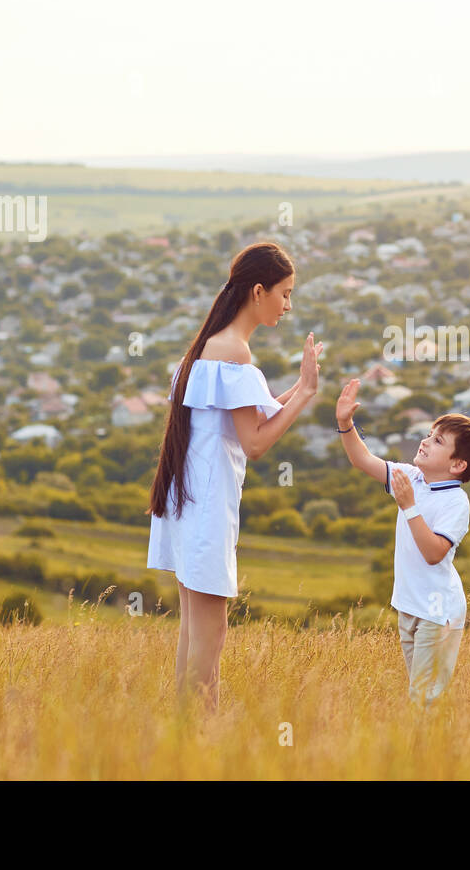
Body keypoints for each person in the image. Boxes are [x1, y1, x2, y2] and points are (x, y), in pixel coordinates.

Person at [146, 242, 322, 708]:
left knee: (193, 630)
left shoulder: (209, 345)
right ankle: (200, 736)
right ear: (258, 291)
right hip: (206, 506)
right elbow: (257, 442)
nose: (288, 306)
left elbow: (251, 415)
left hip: (187, 502)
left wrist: (296, 393)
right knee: (211, 632)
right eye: (285, 294)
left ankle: (185, 732)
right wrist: (304, 392)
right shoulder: (235, 354)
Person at [335, 378, 470, 707]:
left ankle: (433, 756)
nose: (425, 442)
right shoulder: (411, 477)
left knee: (424, 699)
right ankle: (429, 753)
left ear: (457, 465)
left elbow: (434, 553)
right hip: (410, 606)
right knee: (421, 696)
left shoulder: (455, 502)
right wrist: (345, 424)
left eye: (437, 441)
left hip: (438, 613)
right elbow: (362, 460)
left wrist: (409, 506)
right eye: (428, 435)